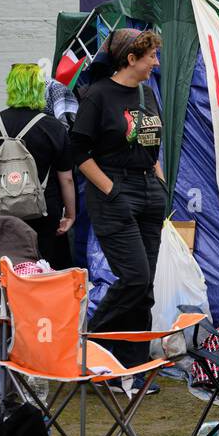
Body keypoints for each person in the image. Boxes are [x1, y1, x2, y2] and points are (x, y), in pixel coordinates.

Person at [70, 28, 168, 388]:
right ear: (131, 59)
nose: (155, 63)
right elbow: (79, 153)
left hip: (148, 190)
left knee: (145, 287)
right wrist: (111, 190)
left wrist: (159, 183)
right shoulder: (98, 96)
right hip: (113, 189)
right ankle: (90, 346)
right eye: (151, 57)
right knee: (134, 278)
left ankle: (130, 367)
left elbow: (153, 145)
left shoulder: (147, 93)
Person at [0, 63, 78, 269]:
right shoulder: (53, 126)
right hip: (44, 209)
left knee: (7, 266)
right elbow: (67, 177)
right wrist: (70, 214)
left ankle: (9, 301)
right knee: (43, 266)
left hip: (2, 210)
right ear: (40, 89)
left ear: (11, 87)